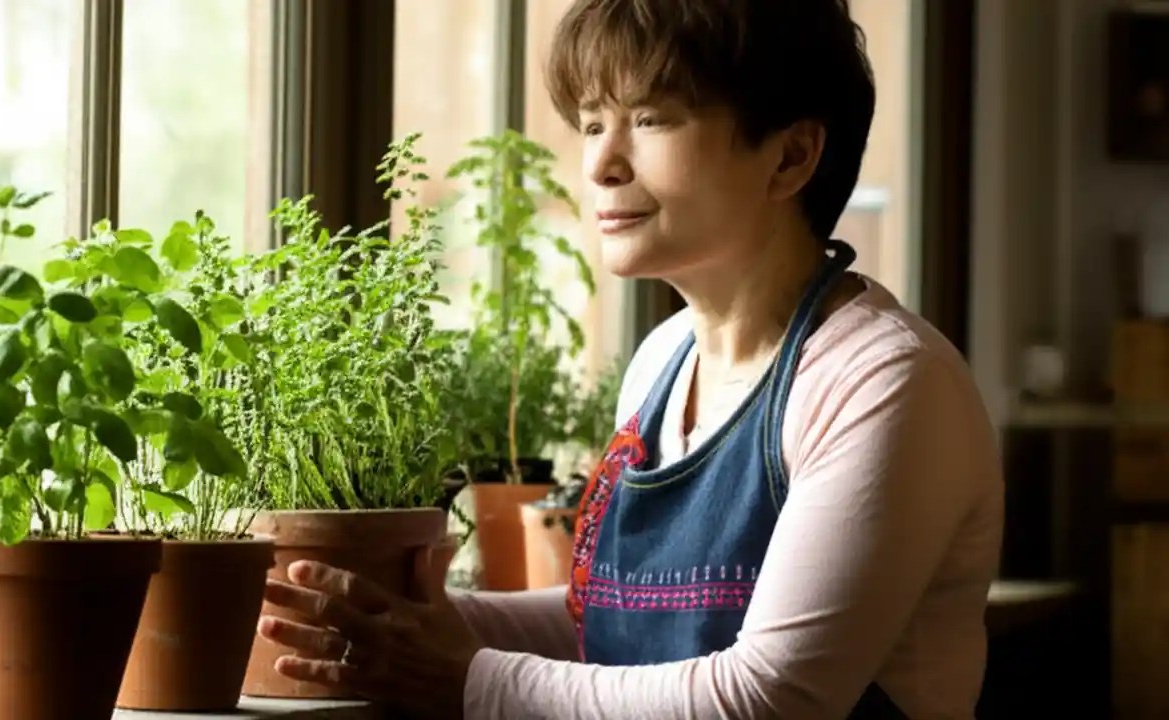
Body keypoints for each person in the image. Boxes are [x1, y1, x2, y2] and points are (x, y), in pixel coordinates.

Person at [255, 0, 1004, 717]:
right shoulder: (663, 360)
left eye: (650, 120)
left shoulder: (883, 380)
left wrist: (469, 682)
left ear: (792, 155)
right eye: (591, 124)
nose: (602, 165)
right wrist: (415, 620)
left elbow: (774, 700)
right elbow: (610, 627)